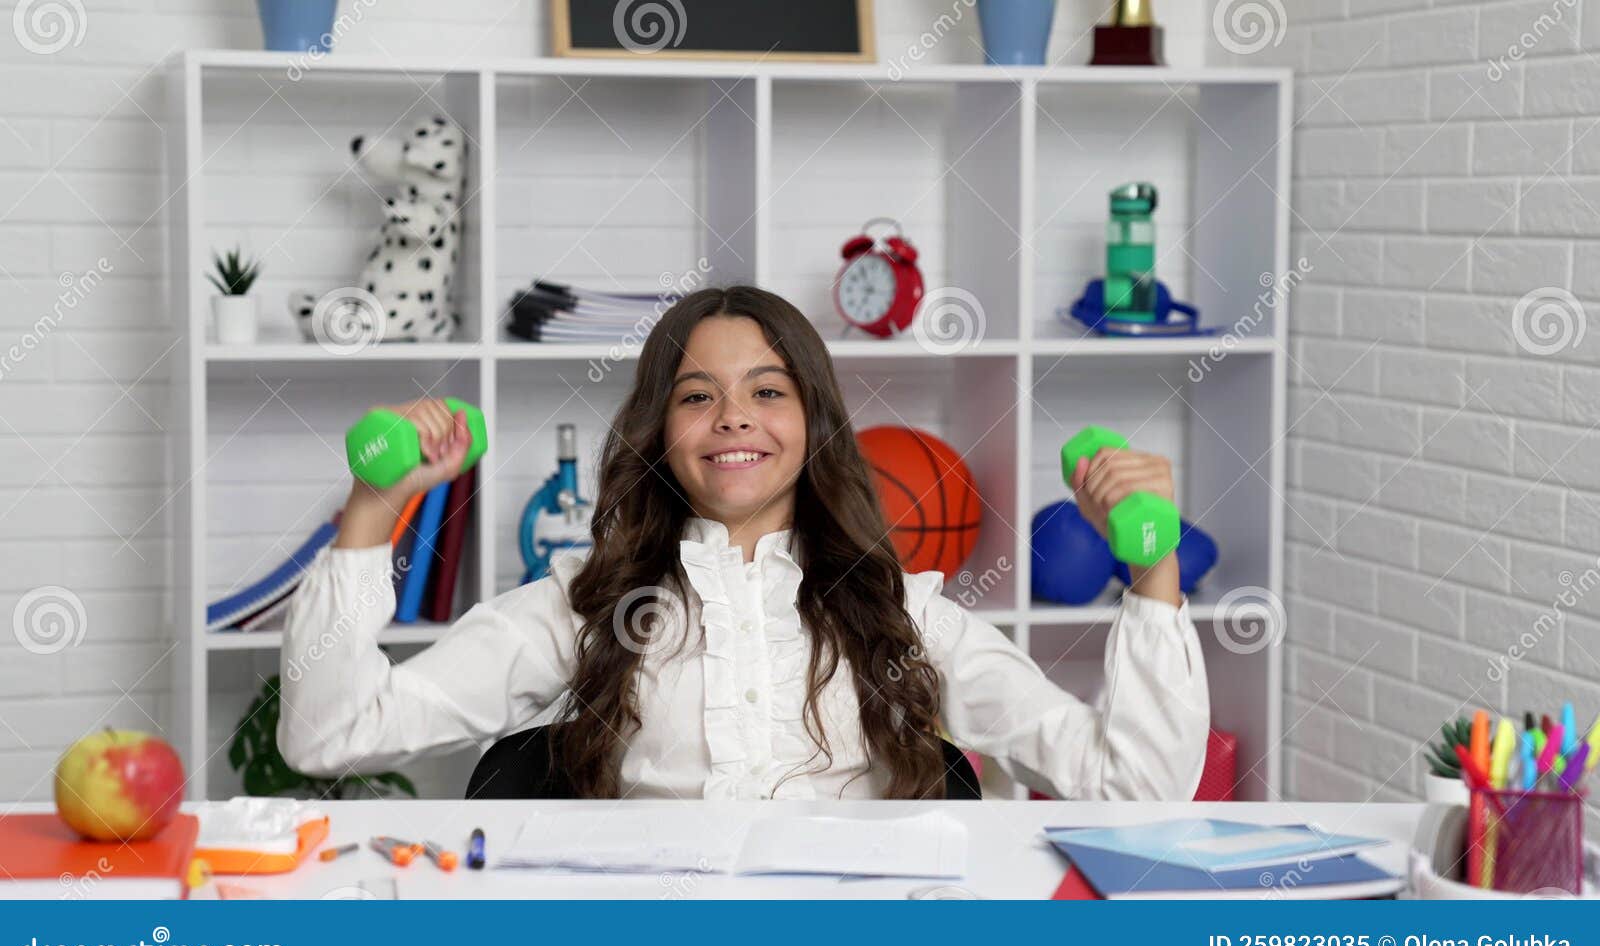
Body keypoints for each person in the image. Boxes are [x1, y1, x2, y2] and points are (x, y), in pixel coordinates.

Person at [278, 286, 1209, 800]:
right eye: (697, 396)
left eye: (768, 391)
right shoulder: (588, 604)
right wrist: (372, 509)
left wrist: (1153, 567)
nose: (733, 418)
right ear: (659, 430)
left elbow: (1138, 786)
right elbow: (331, 735)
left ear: (813, 423)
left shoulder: (903, 612)